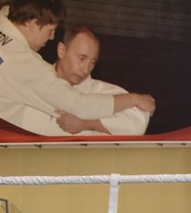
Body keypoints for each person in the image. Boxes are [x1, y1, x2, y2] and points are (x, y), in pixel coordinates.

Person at [0, 0, 155, 136]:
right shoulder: (27, 66)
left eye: (92, 61)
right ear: (31, 23)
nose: (51, 37)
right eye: (49, 31)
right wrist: (135, 99)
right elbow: (79, 105)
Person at [19, 26, 152, 137]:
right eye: (82, 59)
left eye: (92, 62)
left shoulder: (101, 91)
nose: (86, 69)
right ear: (61, 50)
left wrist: (86, 124)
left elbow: (137, 123)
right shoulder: (34, 79)